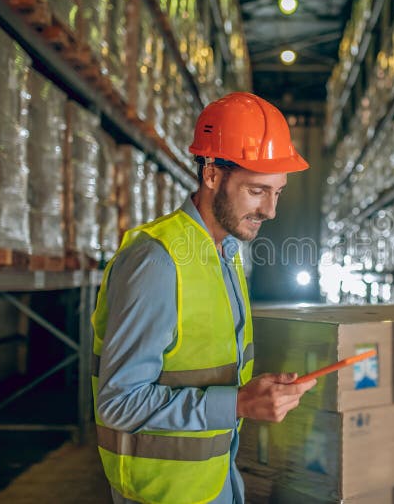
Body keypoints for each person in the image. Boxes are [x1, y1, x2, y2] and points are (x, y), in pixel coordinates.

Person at [91, 92, 317, 504]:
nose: (270, 210)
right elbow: (119, 403)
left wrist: (253, 395)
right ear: (212, 174)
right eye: (256, 191)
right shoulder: (157, 262)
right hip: (163, 493)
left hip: (214, 480)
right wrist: (239, 403)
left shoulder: (226, 253)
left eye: (277, 192)